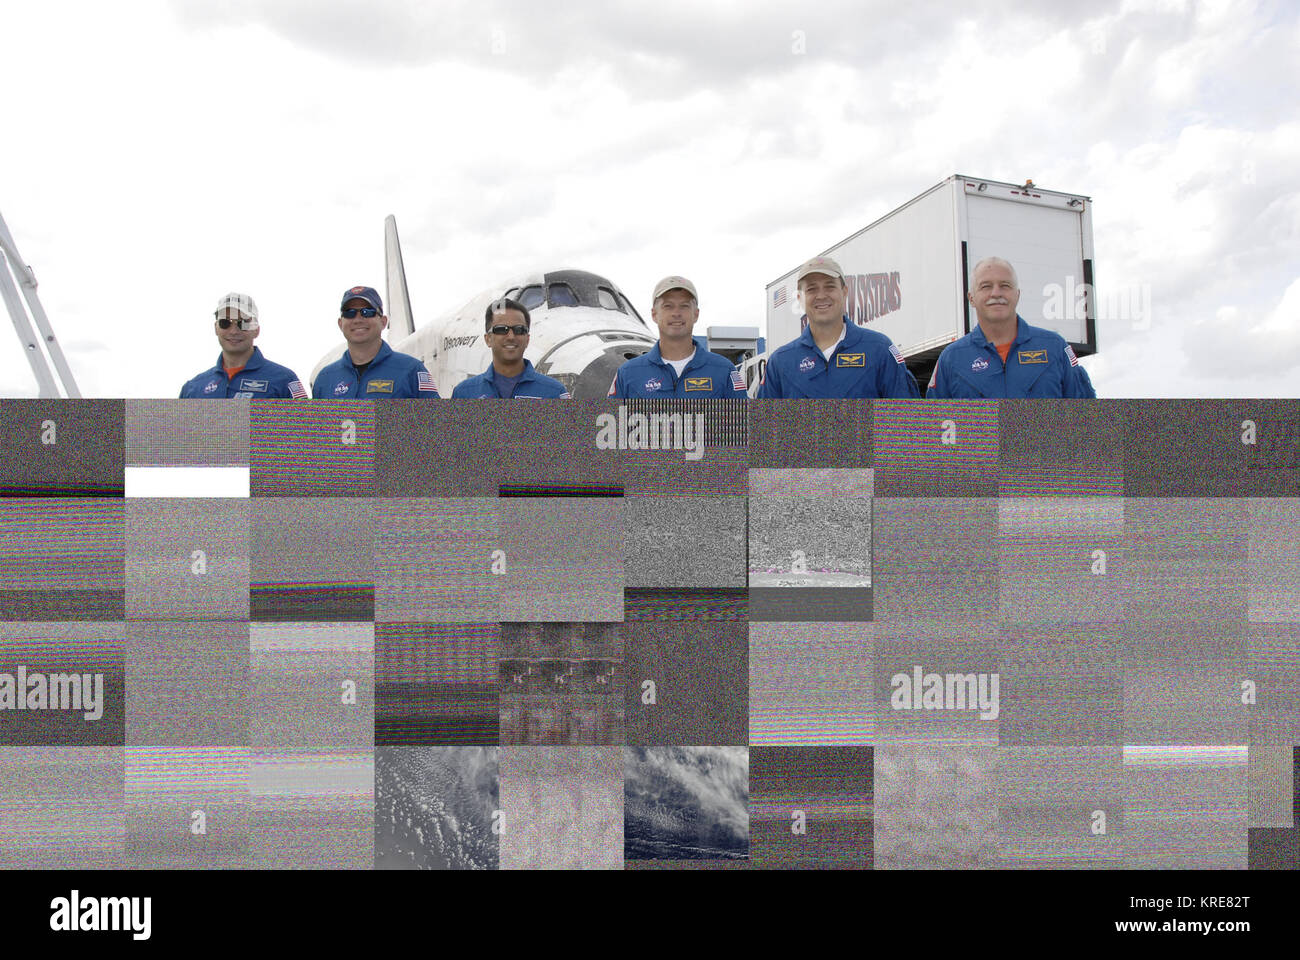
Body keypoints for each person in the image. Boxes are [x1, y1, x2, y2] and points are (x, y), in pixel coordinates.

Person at [927, 256, 1097, 398]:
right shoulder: (951, 359)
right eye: (986, 286)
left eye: (1005, 286)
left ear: (1017, 294)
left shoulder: (1055, 348)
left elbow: (1087, 421)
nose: (996, 293)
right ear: (971, 298)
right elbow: (934, 429)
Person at [757, 256, 918, 398]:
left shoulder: (880, 349)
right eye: (812, 289)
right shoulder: (781, 362)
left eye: (830, 287)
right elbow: (764, 430)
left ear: (844, 291)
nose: (821, 296)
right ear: (800, 298)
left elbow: (907, 425)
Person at [607, 276, 747, 397]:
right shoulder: (627, 374)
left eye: (684, 306)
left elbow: (745, 425)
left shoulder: (725, 371)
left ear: (696, 314)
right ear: (654, 314)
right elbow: (609, 425)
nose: (676, 313)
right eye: (668, 306)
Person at [311, 285, 440, 398]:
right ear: (340, 323)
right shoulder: (325, 379)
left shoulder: (412, 371)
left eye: (367, 312)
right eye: (350, 313)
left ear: (383, 322)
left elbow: (436, 423)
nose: (358, 319)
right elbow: (318, 426)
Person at [180, 292, 307, 398]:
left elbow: (305, 426)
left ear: (257, 330)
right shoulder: (193, 388)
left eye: (243, 323)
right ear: (216, 328)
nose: (234, 331)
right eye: (225, 323)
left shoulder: (284, 380)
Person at [451, 298, 571, 397]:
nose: (511, 337)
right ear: (488, 339)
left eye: (519, 330)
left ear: (527, 339)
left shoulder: (554, 392)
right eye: (501, 329)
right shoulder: (464, 393)